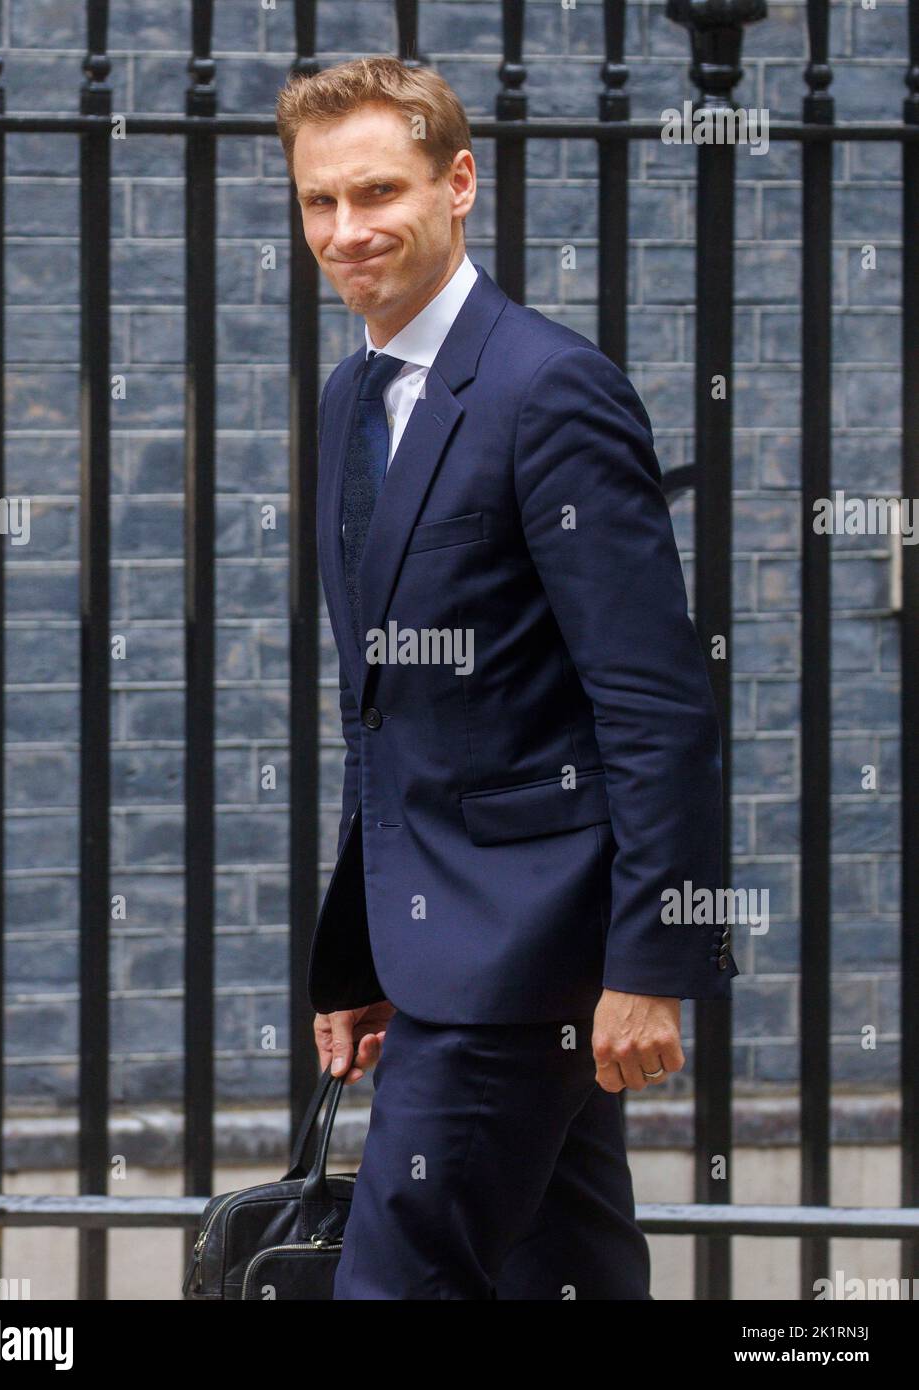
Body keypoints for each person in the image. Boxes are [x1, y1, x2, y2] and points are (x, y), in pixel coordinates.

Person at [275, 55, 738, 1300]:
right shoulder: (354, 396)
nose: (346, 230)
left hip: (526, 950)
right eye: (319, 203)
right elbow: (394, 708)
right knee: (566, 1276)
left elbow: (653, 698)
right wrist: (363, 950)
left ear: (459, 182)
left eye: (377, 191)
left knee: (399, 1280)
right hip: (446, 943)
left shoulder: (549, 389)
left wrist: (649, 963)